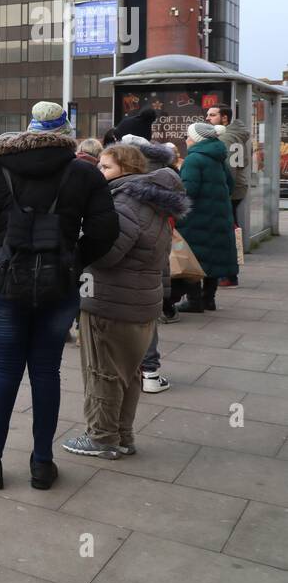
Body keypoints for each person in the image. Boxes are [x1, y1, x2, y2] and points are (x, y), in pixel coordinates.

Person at [0, 101, 120, 490]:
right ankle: (41, 464)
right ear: (66, 132)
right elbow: (105, 231)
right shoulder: (84, 173)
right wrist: (75, 259)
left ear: (27, 131)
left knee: (4, 370)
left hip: (5, 287)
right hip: (59, 286)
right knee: (47, 373)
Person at [62, 143, 190, 459]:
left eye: (105, 167)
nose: (99, 173)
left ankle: (102, 438)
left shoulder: (123, 203)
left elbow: (106, 254)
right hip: (141, 302)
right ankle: (123, 435)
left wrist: (78, 244)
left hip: (111, 300)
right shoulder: (152, 203)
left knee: (102, 371)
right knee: (128, 374)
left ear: (126, 169)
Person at [119, 134, 190, 391]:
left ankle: (140, 371)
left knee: (132, 319)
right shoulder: (163, 182)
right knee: (146, 317)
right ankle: (149, 372)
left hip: (129, 266)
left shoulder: (128, 188)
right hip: (154, 263)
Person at [173, 122, 238, 313]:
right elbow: (230, 186)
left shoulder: (194, 159)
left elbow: (188, 191)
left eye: (188, 136)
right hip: (218, 214)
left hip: (196, 218)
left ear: (196, 139)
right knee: (213, 256)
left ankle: (194, 301)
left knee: (194, 257)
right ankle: (209, 299)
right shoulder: (218, 158)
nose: (186, 139)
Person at [206, 103, 249, 286]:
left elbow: (229, 170)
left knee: (227, 232)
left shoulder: (225, 138)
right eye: (207, 114)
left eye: (212, 115)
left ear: (224, 118)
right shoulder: (237, 134)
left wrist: (223, 191)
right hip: (238, 188)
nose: (208, 118)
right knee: (231, 230)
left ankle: (229, 274)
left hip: (230, 191)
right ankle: (229, 273)